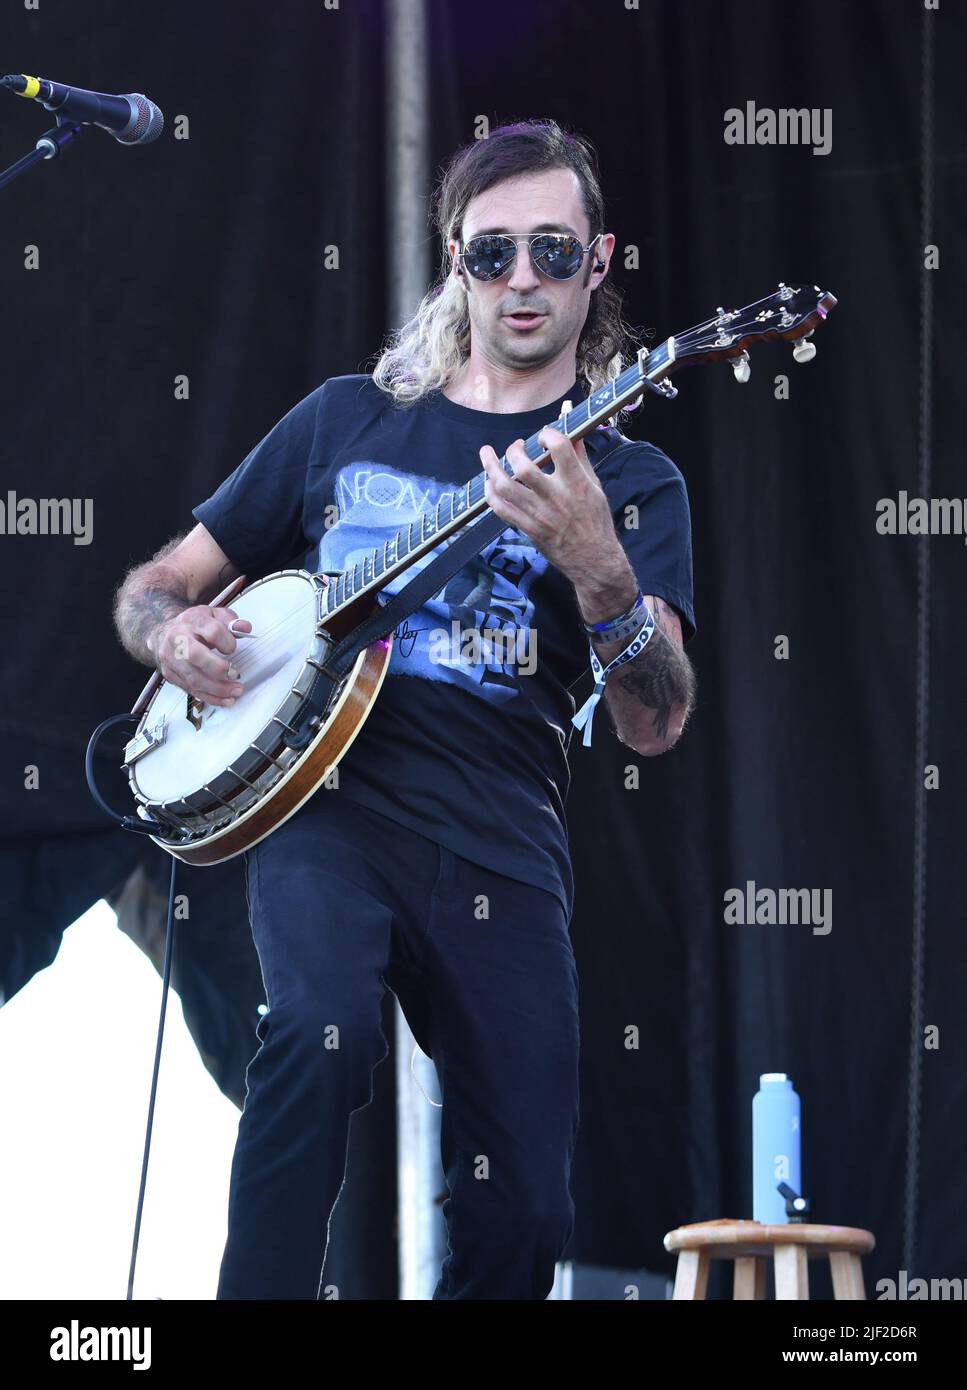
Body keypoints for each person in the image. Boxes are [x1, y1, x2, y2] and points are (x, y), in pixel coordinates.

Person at [113, 117, 698, 1300]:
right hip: (330, 805)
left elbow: (656, 715)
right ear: (454, 263)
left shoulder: (629, 480)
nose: (521, 279)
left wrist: (599, 568)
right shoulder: (347, 420)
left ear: (598, 261)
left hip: (501, 832)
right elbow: (155, 585)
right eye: (492, 254)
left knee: (527, 1200)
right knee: (315, 1041)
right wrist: (171, 633)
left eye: (550, 250)